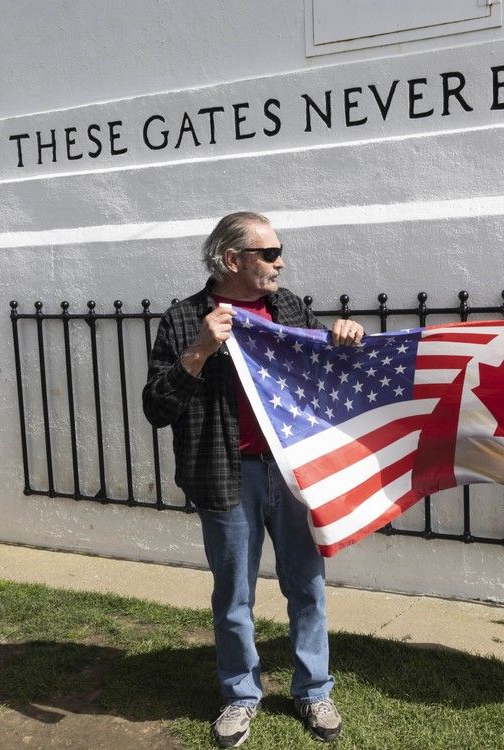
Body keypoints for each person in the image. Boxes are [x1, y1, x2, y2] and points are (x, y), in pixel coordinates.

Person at [143, 211, 363, 747]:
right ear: (231, 260)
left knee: (306, 585)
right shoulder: (183, 319)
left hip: (291, 473)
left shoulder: (287, 307)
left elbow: (321, 369)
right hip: (225, 477)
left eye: (279, 251)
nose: (280, 261)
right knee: (234, 594)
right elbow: (157, 408)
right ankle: (242, 696)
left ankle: (313, 689)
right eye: (268, 253)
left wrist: (343, 337)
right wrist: (199, 350)